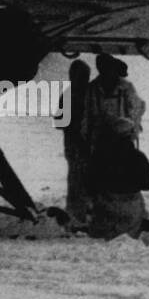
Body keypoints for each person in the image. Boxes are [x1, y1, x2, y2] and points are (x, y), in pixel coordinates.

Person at [85, 117, 149, 240]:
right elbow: (148, 184)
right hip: (131, 209)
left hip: (106, 208)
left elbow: (89, 185)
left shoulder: (100, 156)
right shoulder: (138, 157)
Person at [84, 53, 146, 147]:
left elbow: (138, 107)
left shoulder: (126, 87)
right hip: (100, 138)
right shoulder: (93, 88)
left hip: (123, 135)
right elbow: (87, 115)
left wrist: (133, 127)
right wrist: (86, 136)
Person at [58, 60, 93, 227]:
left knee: (76, 181)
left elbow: (59, 122)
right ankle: (81, 215)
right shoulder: (90, 94)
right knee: (83, 181)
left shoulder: (67, 95)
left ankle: (77, 214)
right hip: (83, 145)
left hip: (75, 144)